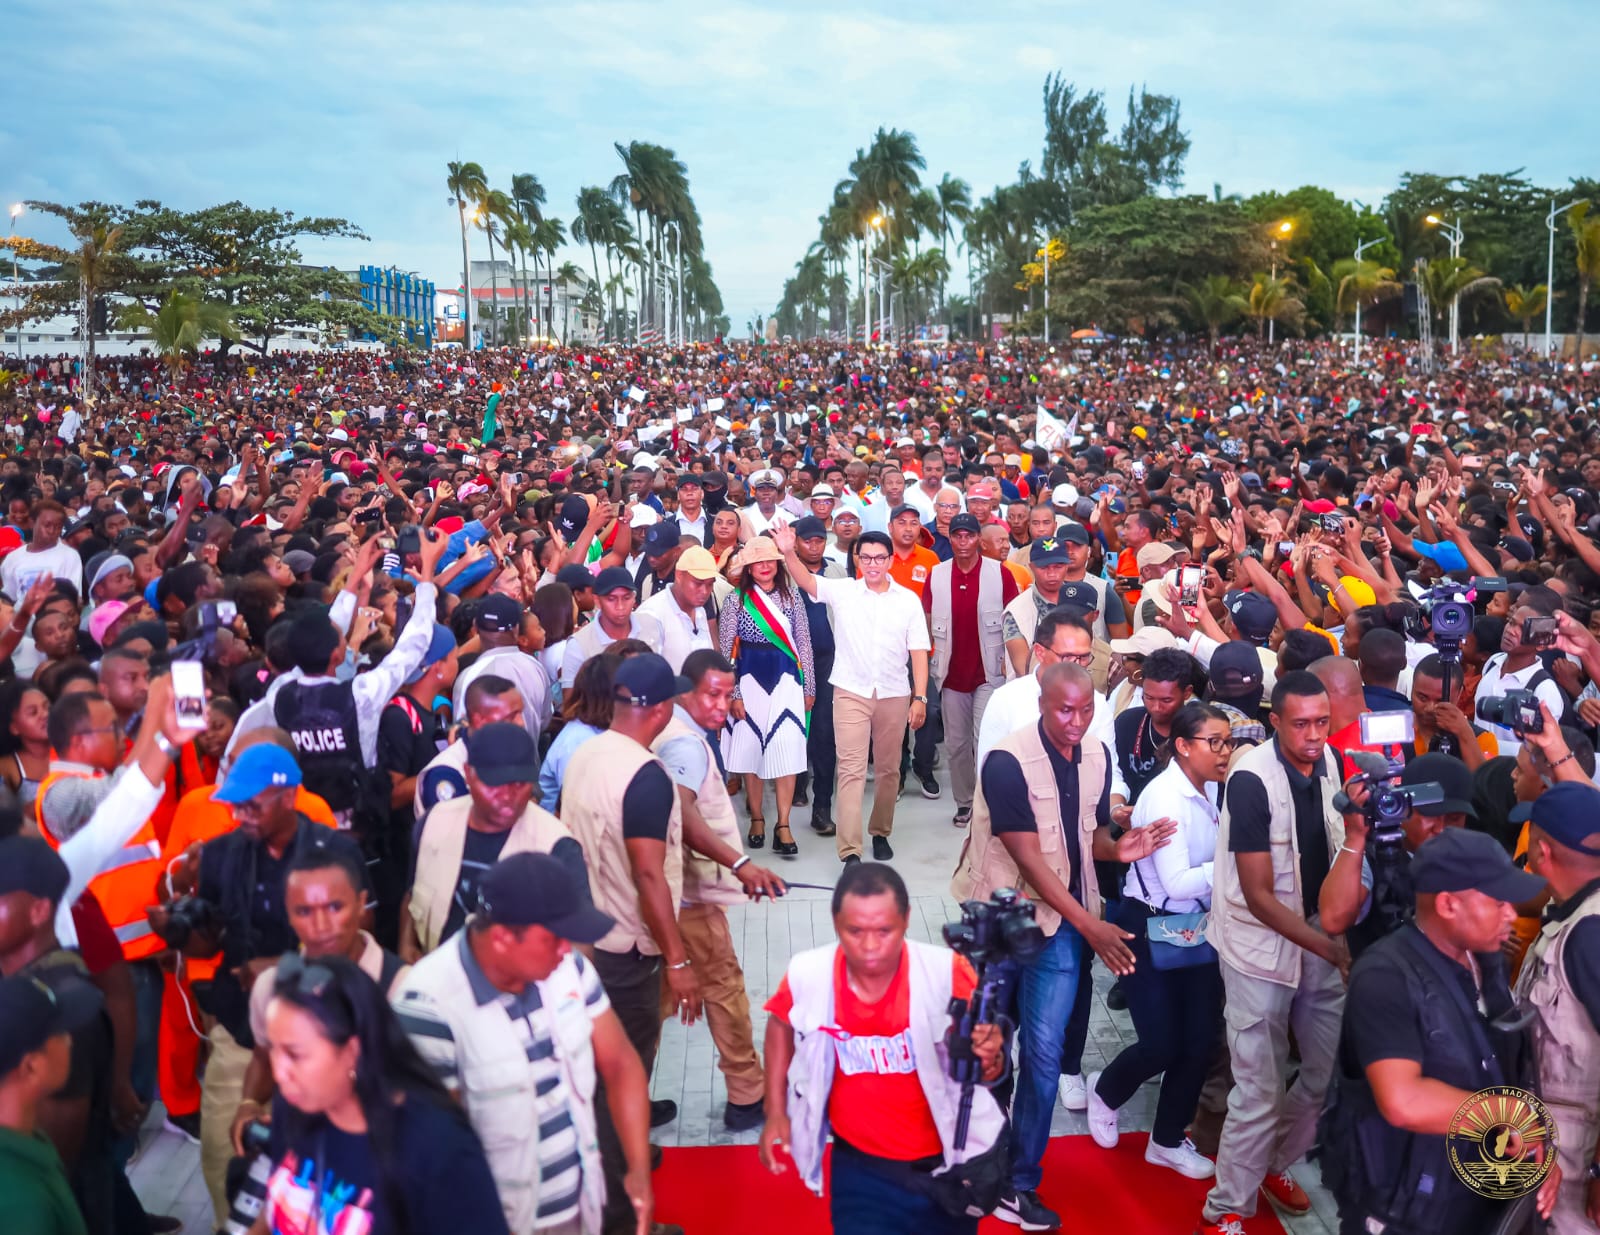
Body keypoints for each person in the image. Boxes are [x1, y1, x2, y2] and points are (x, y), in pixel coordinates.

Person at [951, 661, 1173, 1230]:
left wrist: (1118, 850)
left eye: (1086, 711)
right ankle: (971, 1157)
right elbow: (1030, 859)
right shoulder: (1005, 761)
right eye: (1064, 711)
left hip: (1060, 932)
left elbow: (1086, 838)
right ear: (1042, 705)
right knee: (987, 1051)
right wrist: (1092, 927)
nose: (1076, 722)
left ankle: (1019, 1182)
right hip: (1003, 925)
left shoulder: (1096, 755)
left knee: (1045, 1059)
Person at [393, 852, 656, 1235]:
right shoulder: (429, 1009)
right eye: (554, 938)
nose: (567, 949)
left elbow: (620, 1063)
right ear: (501, 938)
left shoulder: (569, 971)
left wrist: (637, 1169)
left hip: (582, 1207)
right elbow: (436, 1154)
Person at [1320, 829, 1557, 1235]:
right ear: (1448, 904)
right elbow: (1403, 1099)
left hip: (1472, 1199)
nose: (1510, 914)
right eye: (1498, 902)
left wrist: (1537, 1148)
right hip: (1404, 1211)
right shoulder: (1384, 977)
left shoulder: (1486, 960)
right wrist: (1508, 1115)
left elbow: (1505, 1065)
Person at [758, 862, 1006, 1235]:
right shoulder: (809, 972)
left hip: (945, 1164)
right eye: (854, 931)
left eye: (884, 931)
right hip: (860, 1168)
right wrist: (775, 1109)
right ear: (835, 920)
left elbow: (986, 1065)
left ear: (906, 920)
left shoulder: (945, 971)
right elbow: (780, 1023)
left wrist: (993, 1057)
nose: (870, 947)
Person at [1197, 671, 1357, 1233]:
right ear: (1274, 722)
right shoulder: (1250, 779)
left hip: (1316, 934)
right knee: (1258, 1090)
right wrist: (1334, 950)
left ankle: (1270, 1163)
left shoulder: (1331, 760)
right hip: (1259, 947)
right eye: (1301, 724)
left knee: (1323, 1070)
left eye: (1322, 722)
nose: (1314, 735)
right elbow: (1261, 897)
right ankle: (1224, 1212)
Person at [149, 742, 332, 1223]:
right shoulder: (217, 855)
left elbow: (355, 948)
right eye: (235, 804)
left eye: (252, 804)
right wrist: (181, 934)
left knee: (312, 1173)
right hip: (240, 1033)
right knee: (222, 1158)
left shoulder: (331, 853)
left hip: (320, 1039)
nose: (239, 814)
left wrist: (278, 966)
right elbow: (210, 944)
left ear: (289, 796)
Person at [561, 653, 700, 1234]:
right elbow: (649, 876)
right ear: (661, 709)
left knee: (596, 1081)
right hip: (625, 954)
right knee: (620, 1086)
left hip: (584, 940)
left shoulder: (585, 753)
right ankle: (618, 1221)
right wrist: (679, 959)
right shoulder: (646, 776)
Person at [257, 951, 511, 1235]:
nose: (279, 1073)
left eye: (295, 1054)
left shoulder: (439, 1149)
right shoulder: (293, 1106)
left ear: (352, 1052)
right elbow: (275, 1210)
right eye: (274, 1049)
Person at [1085, 703, 1230, 1179]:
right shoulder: (1167, 797)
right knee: (1161, 1042)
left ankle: (1167, 1140)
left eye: (1227, 741)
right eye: (1215, 742)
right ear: (1184, 747)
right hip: (1149, 928)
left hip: (1196, 930)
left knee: (1198, 1041)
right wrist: (1234, 867)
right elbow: (1179, 884)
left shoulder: (1207, 788)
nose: (1224, 751)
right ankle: (1104, 1093)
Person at [651, 649, 787, 1131]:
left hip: (662, 894)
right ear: (683, 691)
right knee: (724, 990)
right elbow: (682, 813)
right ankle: (747, 1095)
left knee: (653, 996)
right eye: (713, 694)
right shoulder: (686, 744)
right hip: (689, 898)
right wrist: (741, 862)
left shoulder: (667, 729)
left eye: (730, 695)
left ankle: (626, 1089)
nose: (722, 705)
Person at [230, 834, 407, 1153]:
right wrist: (249, 1102)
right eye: (305, 911)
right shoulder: (271, 987)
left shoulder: (406, 988)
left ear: (361, 904)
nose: (322, 925)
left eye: (335, 906)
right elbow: (263, 1055)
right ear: (288, 913)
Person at [773, 523, 930, 864]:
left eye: (880, 558)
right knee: (851, 770)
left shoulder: (907, 600)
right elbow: (806, 580)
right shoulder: (843, 590)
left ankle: (880, 832)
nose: (873, 564)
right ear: (857, 559)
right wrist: (787, 551)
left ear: (889, 561)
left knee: (889, 771)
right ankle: (850, 851)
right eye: (866, 557)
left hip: (893, 693)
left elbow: (919, 650)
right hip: (850, 692)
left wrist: (920, 698)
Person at [402, 723, 584, 960]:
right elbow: (411, 894)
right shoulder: (432, 825)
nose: (507, 795)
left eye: (519, 783)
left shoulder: (557, 846)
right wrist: (405, 947)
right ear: (469, 775)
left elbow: (580, 945)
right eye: (493, 783)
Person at [1516, 781, 1600, 1235]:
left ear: (1542, 851)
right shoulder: (1570, 910)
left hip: (1571, 1167)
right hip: (1542, 1149)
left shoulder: (1590, 935)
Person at [1318, 752, 1476, 959]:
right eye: (1430, 815)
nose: (1440, 828)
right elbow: (1333, 920)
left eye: (1454, 819)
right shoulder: (1369, 855)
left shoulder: (1471, 857)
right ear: (1402, 807)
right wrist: (1356, 836)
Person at [718, 536, 814, 856]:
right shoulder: (735, 600)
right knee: (750, 750)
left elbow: (803, 642)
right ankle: (757, 816)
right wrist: (732, 693)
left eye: (769, 560)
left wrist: (809, 687)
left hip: (787, 676)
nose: (764, 565)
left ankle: (783, 823)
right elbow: (725, 649)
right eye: (757, 561)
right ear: (748, 566)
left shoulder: (793, 595)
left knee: (786, 749)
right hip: (748, 676)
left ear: (777, 563)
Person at [924, 513, 1019, 828]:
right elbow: (925, 620)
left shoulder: (999, 574)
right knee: (957, 744)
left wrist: (1010, 659)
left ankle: (987, 803)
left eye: (969, 536)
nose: (963, 542)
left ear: (979, 538)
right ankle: (964, 802)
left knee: (986, 740)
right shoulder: (937, 575)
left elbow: (1011, 620)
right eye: (957, 536)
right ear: (950, 539)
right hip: (950, 675)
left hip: (988, 672)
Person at [0, 971, 104, 1235]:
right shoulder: (20, 1204)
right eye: (59, 1032)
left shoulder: (25, 1136)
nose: (70, 1040)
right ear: (32, 1066)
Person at [452, 593, 553, 740]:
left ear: (475, 628)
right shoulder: (535, 667)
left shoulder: (469, 676)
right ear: (516, 629)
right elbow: (545, 721)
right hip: (530, 761)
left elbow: (461, 735)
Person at [561, 567, 665, 690]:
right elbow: (571, 700)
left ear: (634, 597)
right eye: (611, 599)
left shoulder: (652, 624)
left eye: (626, 598)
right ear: (597, 601)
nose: (620, 606)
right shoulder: (579, 644)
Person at [637, 545, 720, 673]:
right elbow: (645, 674)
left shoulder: (700, 611)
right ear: (679, 575)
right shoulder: (651, 614)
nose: (704, 591)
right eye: (698, 583)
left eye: (709, 584)